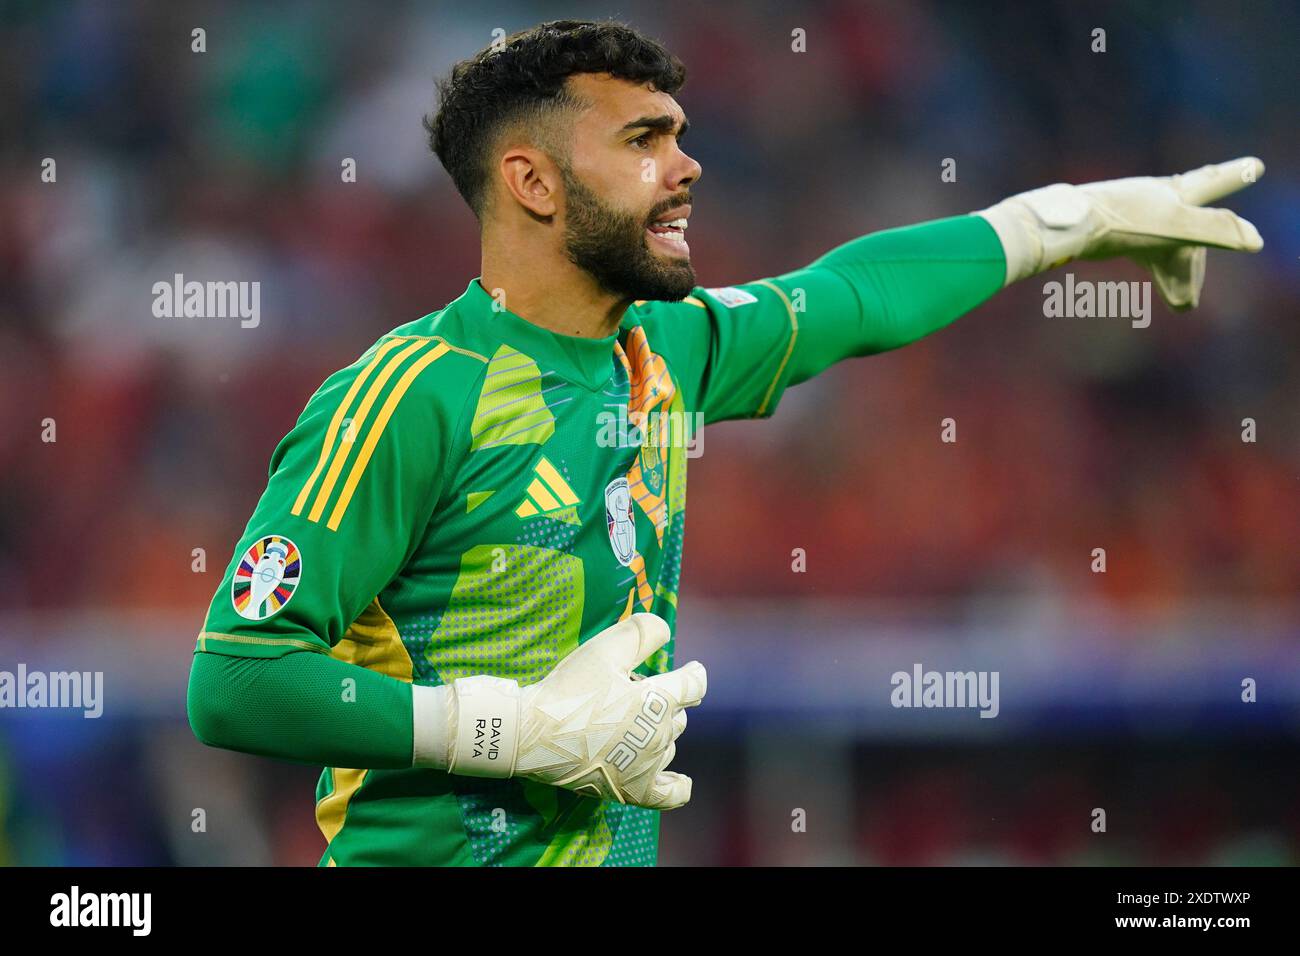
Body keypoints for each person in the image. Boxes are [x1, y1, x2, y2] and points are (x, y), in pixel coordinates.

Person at [187, 19, 1264, 867]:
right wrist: (502, 730)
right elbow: (235, 679)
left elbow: (851, 294)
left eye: (681, 134)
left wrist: (1071, 221)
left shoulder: (666, 351)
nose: (687, 167)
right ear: (533, 182)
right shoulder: (411, 395)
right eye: (643, 141)